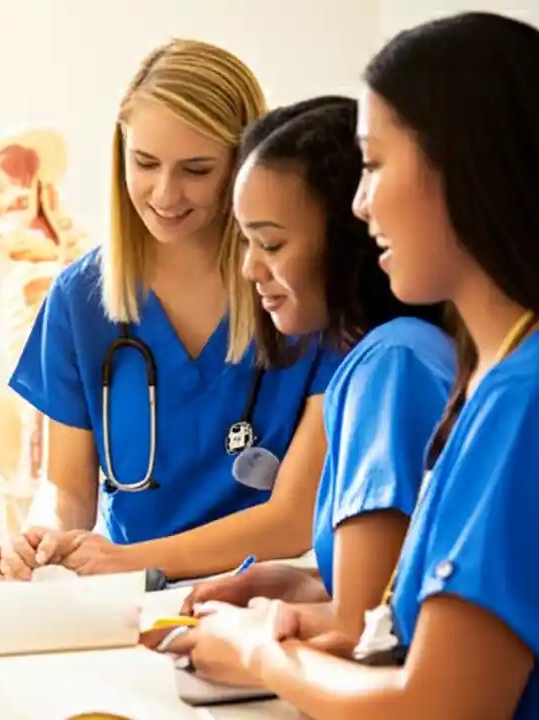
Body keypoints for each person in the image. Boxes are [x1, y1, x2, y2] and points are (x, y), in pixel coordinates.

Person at [170, 13, 539, 719]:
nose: (360, 205)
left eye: (372, 164)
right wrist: (303, 613)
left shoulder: (534, 397)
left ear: (464, 168)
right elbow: (419, 630)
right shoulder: (499, 377)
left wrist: (258, 653)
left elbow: (437, 705)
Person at [0, 39, 342, 581]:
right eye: (145, 163)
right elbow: (67, 487)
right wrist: (42, 540)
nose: (166, 194)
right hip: (133, 605)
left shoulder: (298, 293)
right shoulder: (81, 299)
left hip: (270, 600)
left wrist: (131, 560)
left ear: (244, 164)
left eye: (196, 169)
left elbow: (293, 518)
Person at [161, 97, 454, 652]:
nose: (249, 268)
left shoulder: (393, 364)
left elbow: (367, 631)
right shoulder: (399, 353)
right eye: (245, 241)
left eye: (270, 243)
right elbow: (405, 582)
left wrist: (240, 643)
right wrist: (305, 583)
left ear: (353, 237)